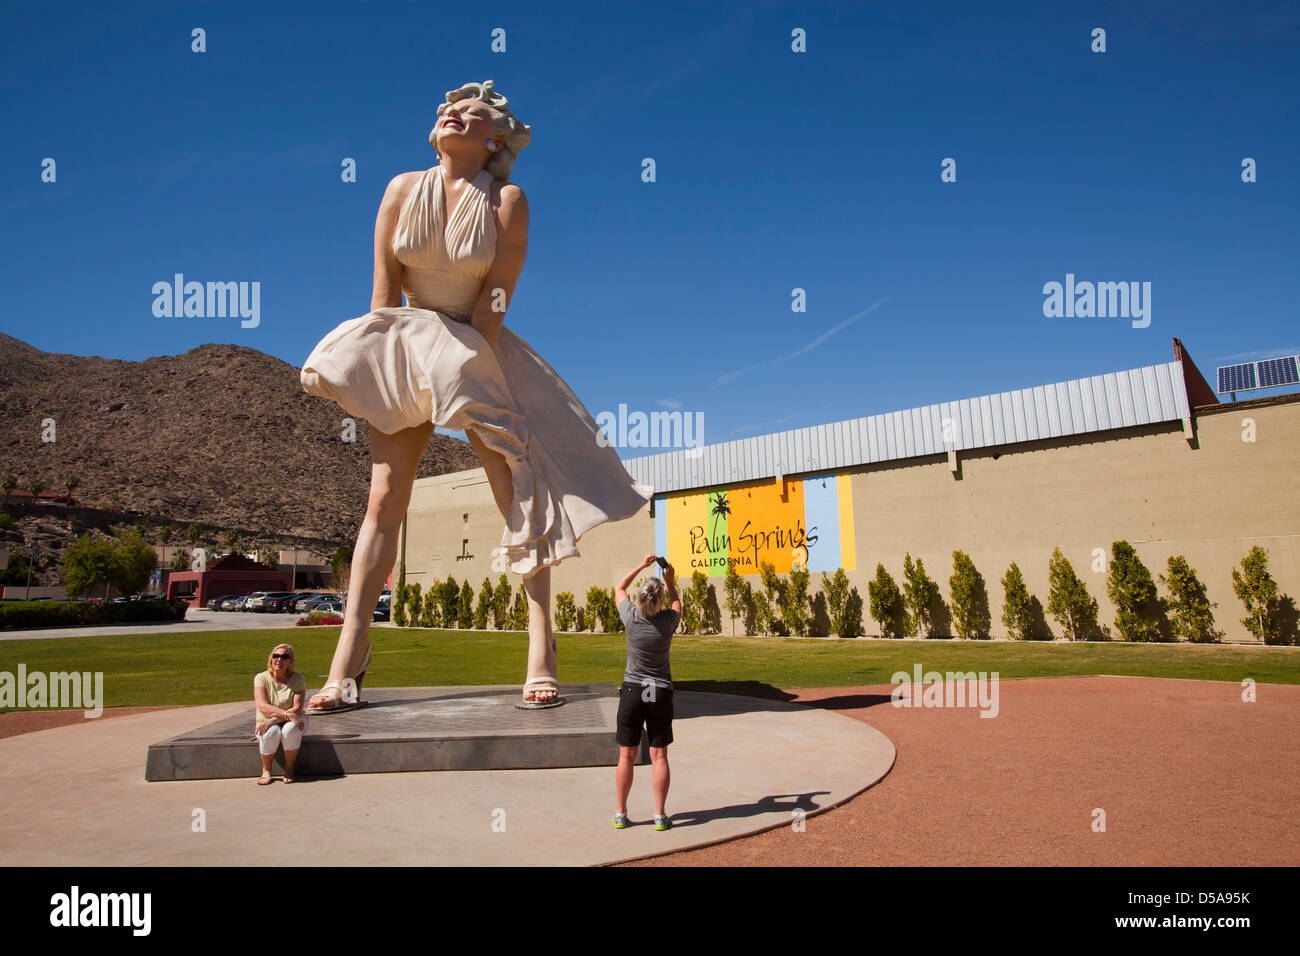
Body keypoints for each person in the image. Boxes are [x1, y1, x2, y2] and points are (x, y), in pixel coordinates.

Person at [299, 80, 652, 711]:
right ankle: (349, 657)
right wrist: (377, 366)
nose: (452, 113)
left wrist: (463, 365)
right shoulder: (400, 190)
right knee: (383, 497)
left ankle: (541, 651)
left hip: (476, 348)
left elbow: (494, 299)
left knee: (517, 495)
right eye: (446, 109)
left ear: (494, 138)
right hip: (404, 346)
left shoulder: (507, 203)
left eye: (472, 112)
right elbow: (383, 294)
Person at [611, 554, 681, 830]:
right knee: (659, 756)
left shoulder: (630, 617)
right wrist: (670, 580)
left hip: (633, 690)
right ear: (659, 601)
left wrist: (640, 564)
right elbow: (676, 602)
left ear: (640, 598)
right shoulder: (668, 621)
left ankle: (620, 813)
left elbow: (619, 588)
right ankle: (660, 815)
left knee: (626, 756)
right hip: (659, 691)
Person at [254, 644, 307, 784]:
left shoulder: (298, 679)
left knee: (289, 730)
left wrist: (274, 719)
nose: (279, 659)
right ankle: (266, 770)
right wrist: (286, 715)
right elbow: (263, 706)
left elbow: (298, 707)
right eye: (276, 656)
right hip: (269, 719)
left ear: (291, 661)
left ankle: (289, 768)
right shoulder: (261, 678)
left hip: (295, 720)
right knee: (270, 732)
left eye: (284, 656)